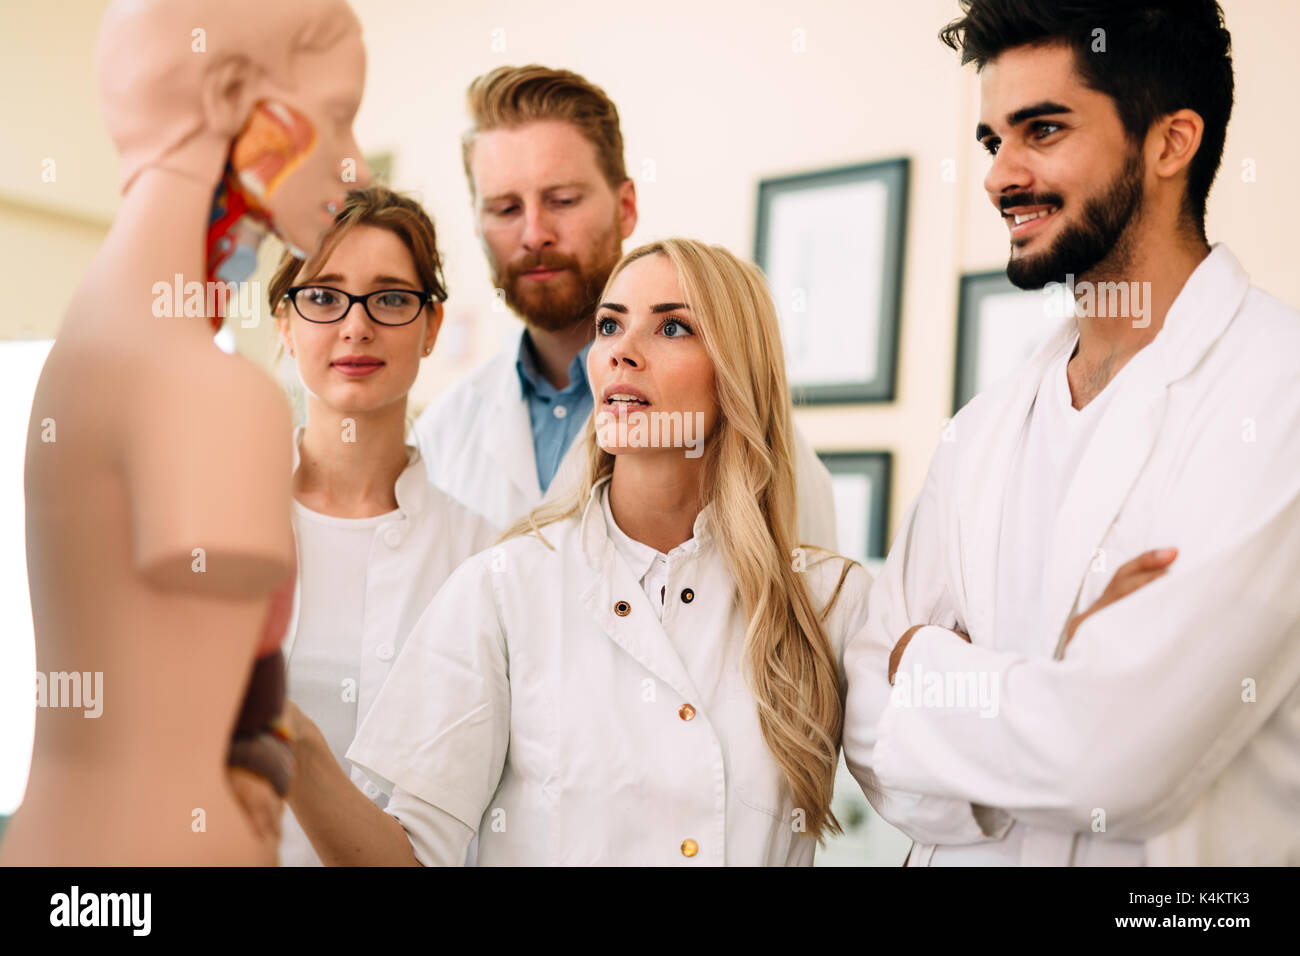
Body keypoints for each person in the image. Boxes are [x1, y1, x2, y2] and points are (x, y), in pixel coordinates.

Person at [845, 0, 1300, 865]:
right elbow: (865, 726)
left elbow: (1116, 757)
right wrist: (1054, 680)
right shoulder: (980, 431)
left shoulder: (1278, 395)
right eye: (991, 141)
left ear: (1171, 143)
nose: (998, 176)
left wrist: (927, 668)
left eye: (1041, 130)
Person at [287, 238, 872, 865]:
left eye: (672, 326)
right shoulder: (505, 588)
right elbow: (409, 856)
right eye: (610, 325)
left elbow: (948, 808)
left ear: (738, 372)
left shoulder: (829, 601)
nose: (622, 350)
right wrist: (296, 749)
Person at [0, 0, 368, 866]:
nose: (354, 161)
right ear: (232, 91)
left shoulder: (80, 355)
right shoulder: (213, 392)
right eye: (341, 114)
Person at [413, 65, 839, 549]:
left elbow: (797, 609)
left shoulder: (749, 442)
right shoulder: (442, 434)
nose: (534, 234)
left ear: (626, 206)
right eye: (506, 209)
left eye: (563, 199)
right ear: (476, 224)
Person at [269, 185, 498, 866]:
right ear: (284, 322)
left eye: (392, 297)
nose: (355, 326)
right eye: (323, 295)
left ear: (431, 327)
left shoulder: (481, 559)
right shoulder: (213, 526)